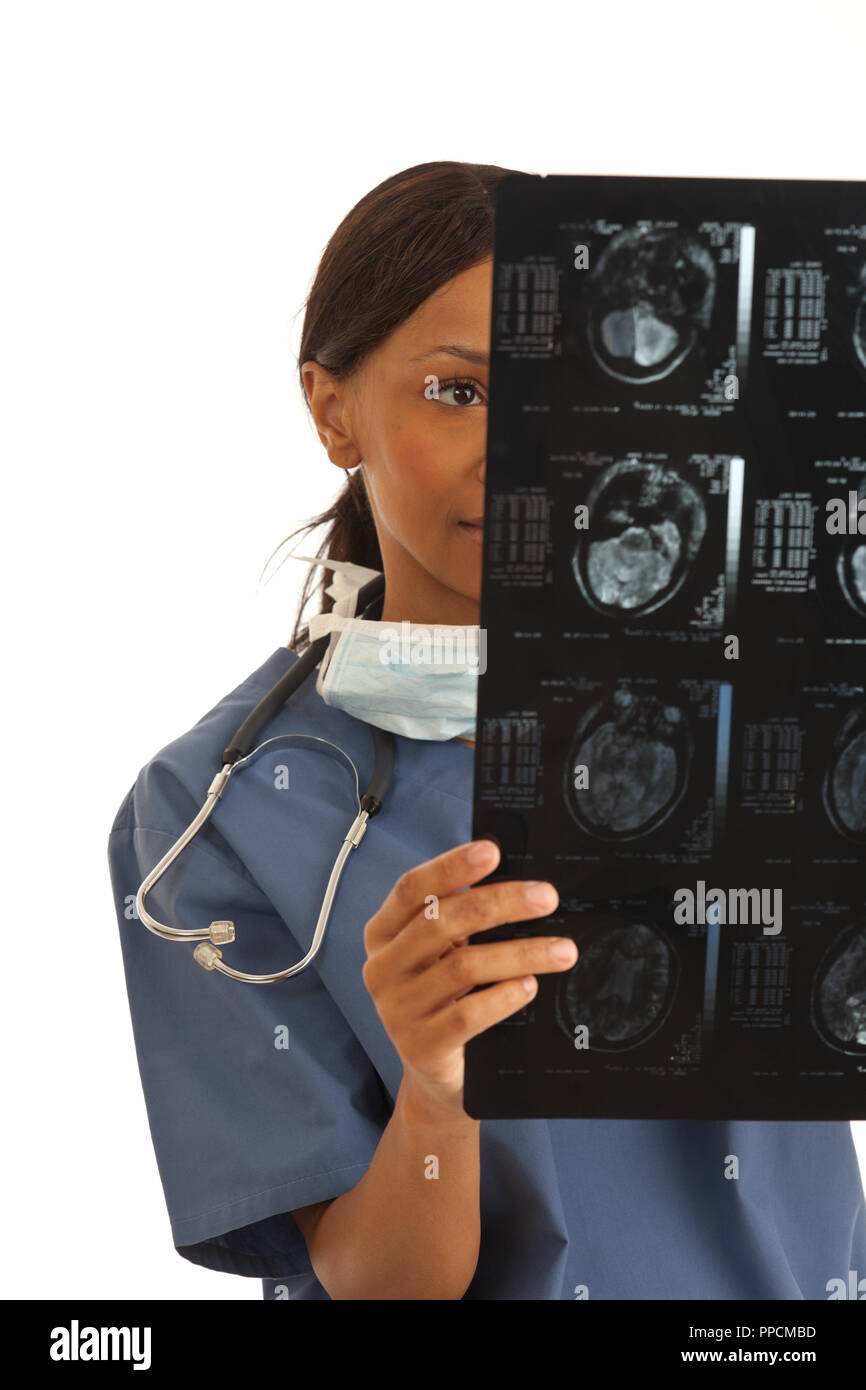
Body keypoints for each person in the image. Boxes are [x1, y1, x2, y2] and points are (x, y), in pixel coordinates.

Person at [107, 160, 866, 1301]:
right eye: (458, 393)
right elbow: (374, 1285)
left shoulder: (779, 724)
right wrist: (432, 1087)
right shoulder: (215, 813)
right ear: (331, 408)